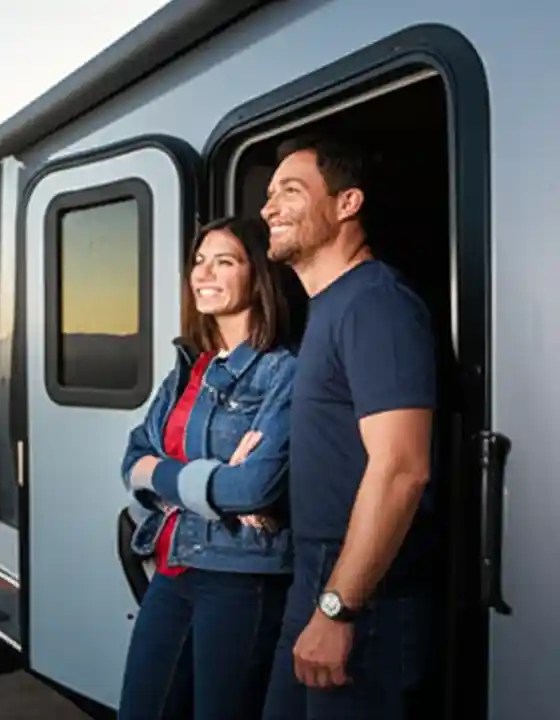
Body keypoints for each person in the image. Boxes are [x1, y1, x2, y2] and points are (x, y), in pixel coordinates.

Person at [258, 133, 437, 720]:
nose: (269, 208)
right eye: (268, 194)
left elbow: (402, 469)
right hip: (317, 575)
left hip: (365, 598)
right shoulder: (330, 307)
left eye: (290, 190)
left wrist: (338, 610)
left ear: (346, 203)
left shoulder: (374, 302)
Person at [116, 215, 298, 720]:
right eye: (199, 262)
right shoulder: (190, 366)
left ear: (256, 274)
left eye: (225, 261)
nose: (205, 274)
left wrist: (167, 473)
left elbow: (255, 487)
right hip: (174, 568)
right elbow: (132, 461)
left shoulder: (281, 369)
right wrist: (214, 481)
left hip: (241, 578)